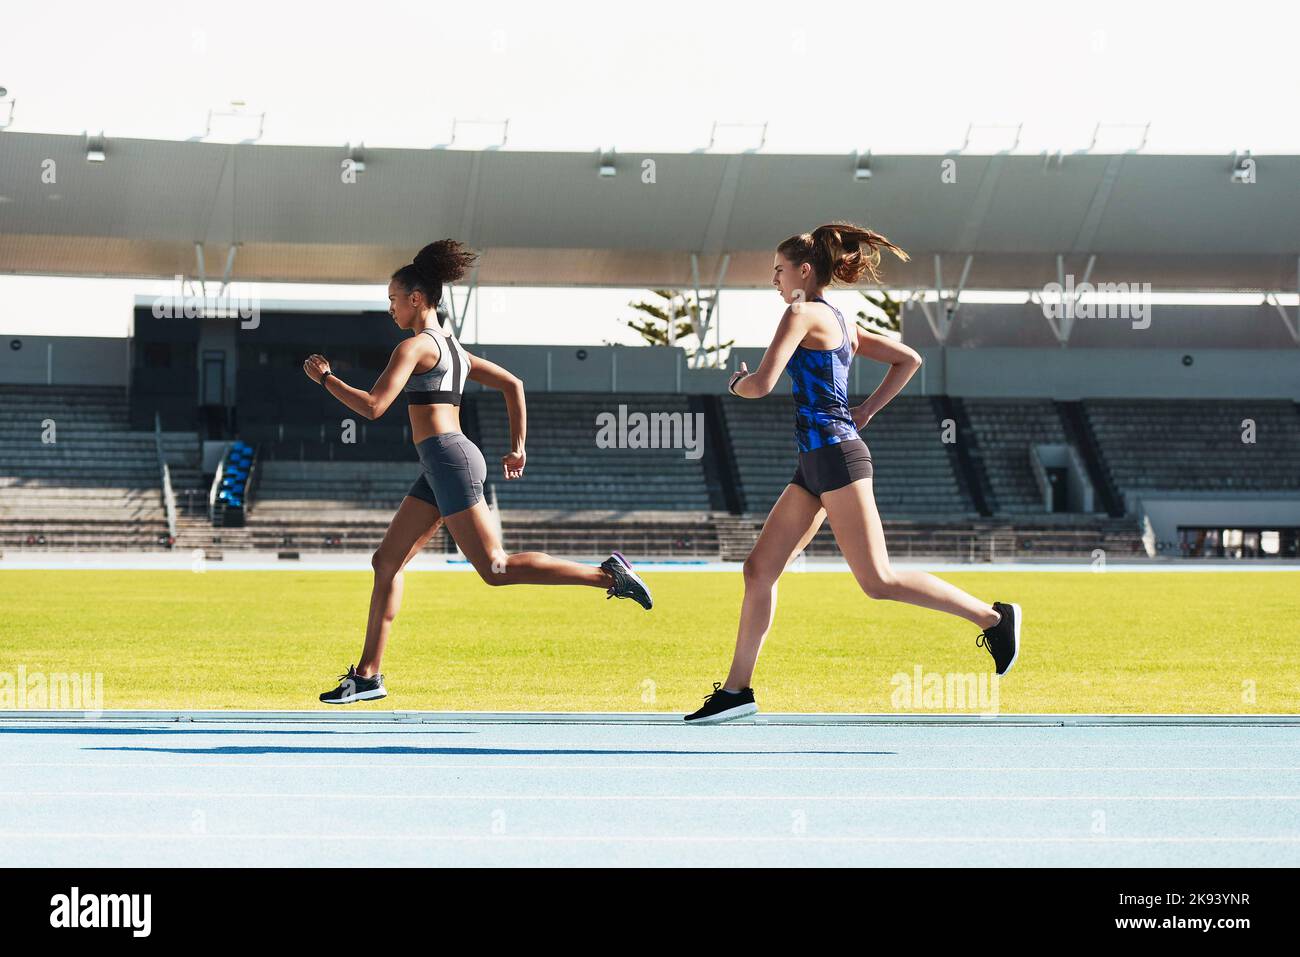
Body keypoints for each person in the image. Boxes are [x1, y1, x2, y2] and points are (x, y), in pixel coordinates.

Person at [685, 222, 1021, 724]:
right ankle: (738, 691)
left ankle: (994, 618)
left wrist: (735, 383)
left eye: (778, 270)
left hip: (838, 459)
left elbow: (761, 385)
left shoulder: (800, 312)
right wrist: (865, 411)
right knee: (758, 571)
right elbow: (908, 359)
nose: (774, 280)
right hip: (816, 463)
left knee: (877, 580)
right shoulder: (842, 322)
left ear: (803, 270)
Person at [306, 239, 652, 705]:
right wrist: (518, 448)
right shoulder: (455, 350)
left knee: (496, 568)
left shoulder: (414, 348)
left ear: (415, 298)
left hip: (449, 459)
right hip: (441, 462)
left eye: (392, 299)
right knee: (386, 562)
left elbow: (372, 406)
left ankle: (608, 576)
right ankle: (368, 675)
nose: (389, 308)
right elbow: (514, 384)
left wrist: (327, 378)